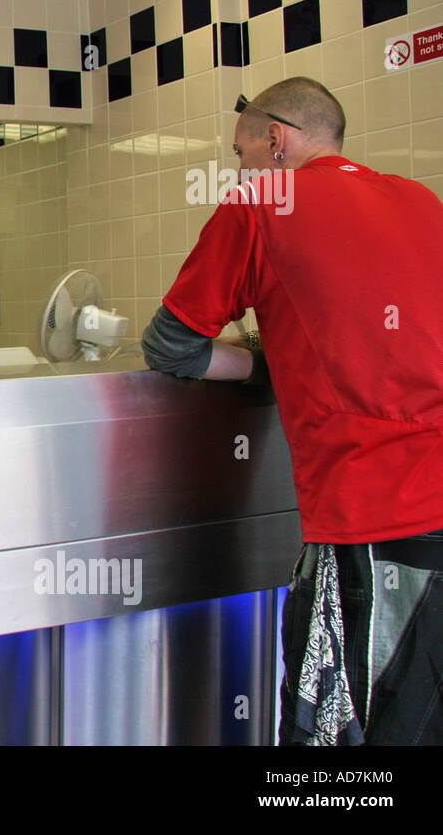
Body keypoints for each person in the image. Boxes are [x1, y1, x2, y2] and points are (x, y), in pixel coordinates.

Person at [141, 76, 443, 746]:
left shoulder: (261, 201)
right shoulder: (421, 200)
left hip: (375, 522)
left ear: (274, 140)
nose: (237, 170)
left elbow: (170, 345)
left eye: (240, 153)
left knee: (338, 734)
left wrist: (262, 368)